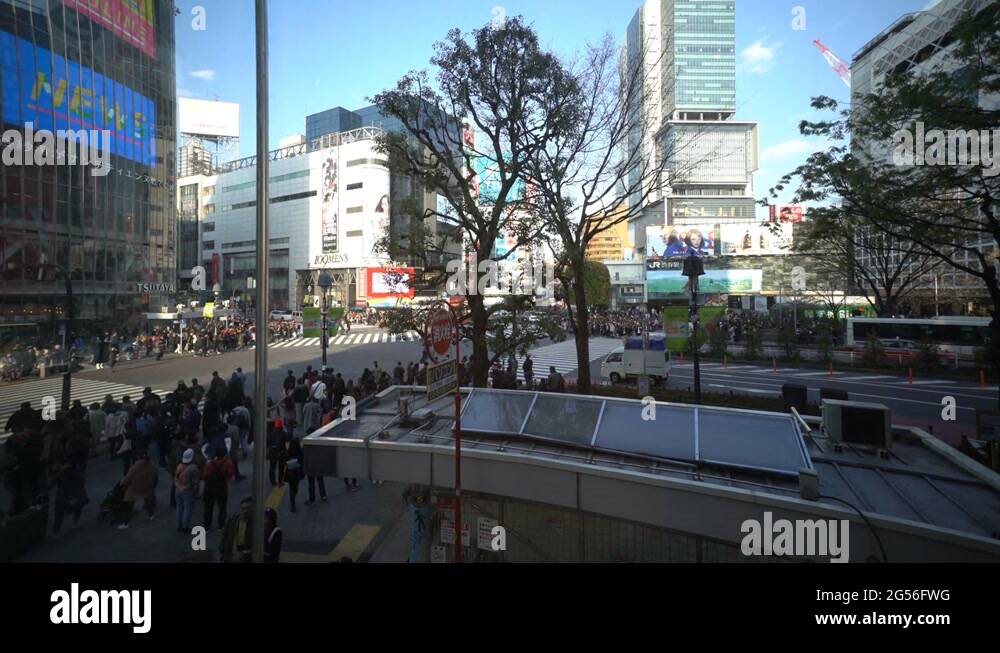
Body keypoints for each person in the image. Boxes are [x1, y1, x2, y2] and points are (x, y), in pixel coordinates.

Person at [119, 450, 157, 528]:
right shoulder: (151, 465)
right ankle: (151, 515)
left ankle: (126, 523)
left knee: (129, 504)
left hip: (135, 487)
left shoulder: (135, 466)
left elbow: (128, 478)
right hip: (146, 486)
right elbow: (154, 476)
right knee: (148, 499)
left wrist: (122, 482)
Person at [201, 447, 235, 531]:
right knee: (222, 507)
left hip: (209, 488)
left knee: (208, 508)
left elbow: (204, 476)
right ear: (225, 454)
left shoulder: (209, 464)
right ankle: (221, 525)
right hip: (222, 488)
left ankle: (207, 526)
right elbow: (231, 476)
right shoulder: (228, 463)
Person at [219, 497, 253, 563]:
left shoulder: (255, 525)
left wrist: (244, 553)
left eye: (248, 508)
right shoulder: (233, 521)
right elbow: (225, 536)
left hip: (246, 554)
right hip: (233, 551)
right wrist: (222, 551)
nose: (245, 511)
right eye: (243, 508)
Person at [174, 448, 200, 533]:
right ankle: (186, 526)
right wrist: (196, 493)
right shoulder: (193, 468)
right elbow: (195, 482)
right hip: (187, 490)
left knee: (179, 508)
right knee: (188, 509)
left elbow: (176, 477)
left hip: (178, 489)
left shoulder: (179, 466)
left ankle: (179, 525)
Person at [285, 438, 304, 512]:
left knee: (291, 488)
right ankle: (292, 501)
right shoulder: (300, 453)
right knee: (295, 488)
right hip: (297, 474)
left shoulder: (289, 453)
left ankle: (292, 501)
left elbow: (285, 462)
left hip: (290, 473)